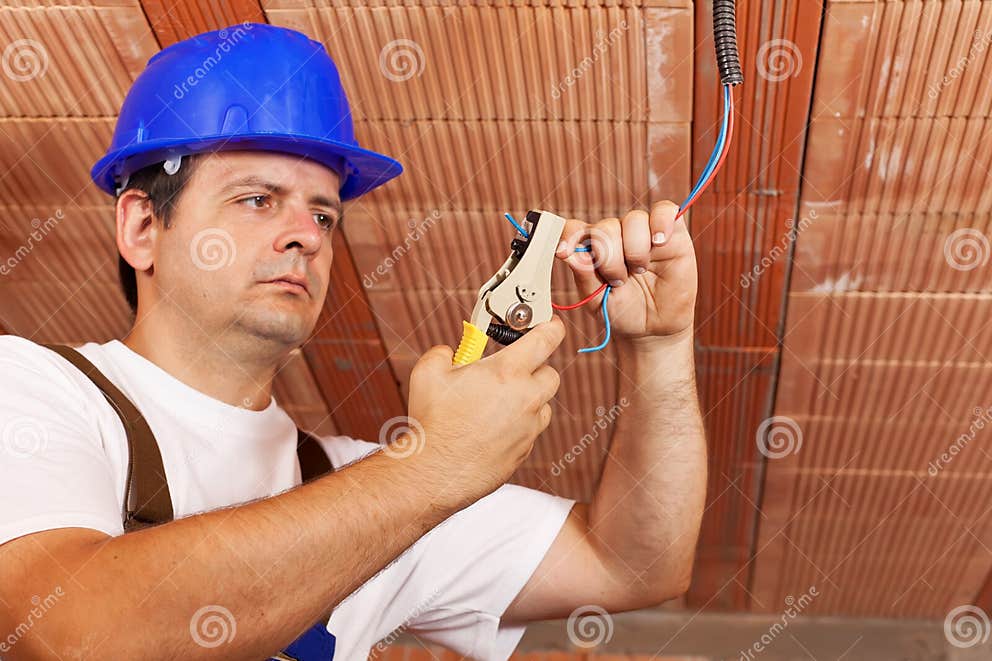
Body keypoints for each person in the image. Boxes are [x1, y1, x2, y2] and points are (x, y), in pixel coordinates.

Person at [0, 23, 706, 660]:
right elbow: (68, 634)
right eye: (257, 198)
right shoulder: (32, 391)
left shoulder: (360, 482)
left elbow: (632, 565)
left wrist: (661, 348)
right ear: (141, 228)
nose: (306, 236)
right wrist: (430, 469)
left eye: (323, 215)